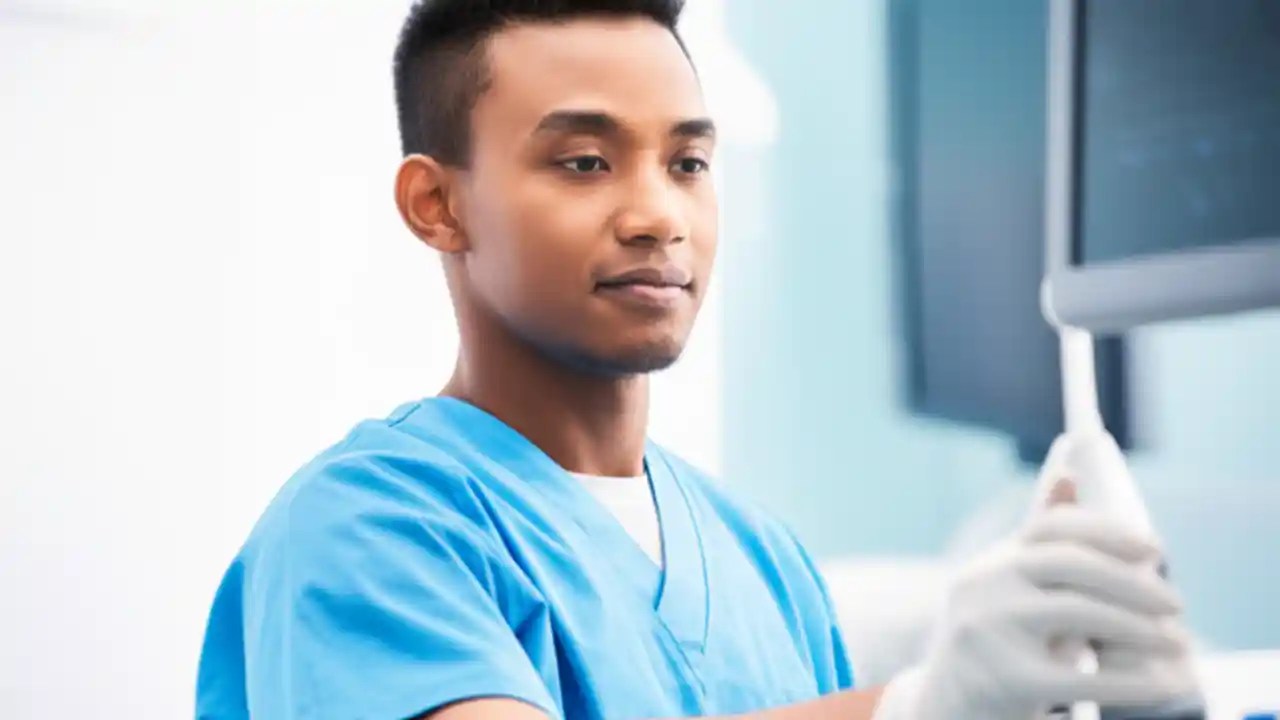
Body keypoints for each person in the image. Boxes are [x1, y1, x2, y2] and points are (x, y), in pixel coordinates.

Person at [195, 1, 1198, 718]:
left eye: (687, 163)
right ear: (435, 204)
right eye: (583, 161)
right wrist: (915, 708)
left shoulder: (764, 561)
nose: (656, 215)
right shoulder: (362, 532)